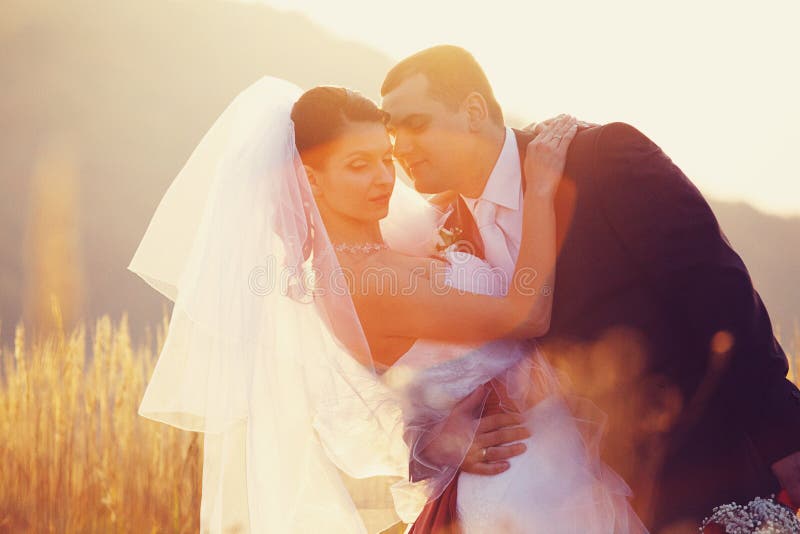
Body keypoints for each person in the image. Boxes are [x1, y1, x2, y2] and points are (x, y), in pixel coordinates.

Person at [129, 76, 645, 533]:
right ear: (311, 180)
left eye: (385, 159)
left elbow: (417, 387)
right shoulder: (366, 282)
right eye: (358, 165)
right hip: (518, 483)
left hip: (541, 463)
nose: (383, 179)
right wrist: (542, 188)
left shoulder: (385, 251)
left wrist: (437, 437)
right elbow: (527, 314)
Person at [379, 44, 800, 530]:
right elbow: (409, 372)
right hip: (553, 502)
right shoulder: (436, 232)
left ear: (473, 112)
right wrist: (439, 441)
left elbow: (722, 294)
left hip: (694, 468)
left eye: (415, 124)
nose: (399, 146)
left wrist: (785, 438)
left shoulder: (601, 160)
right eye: (391, 131)